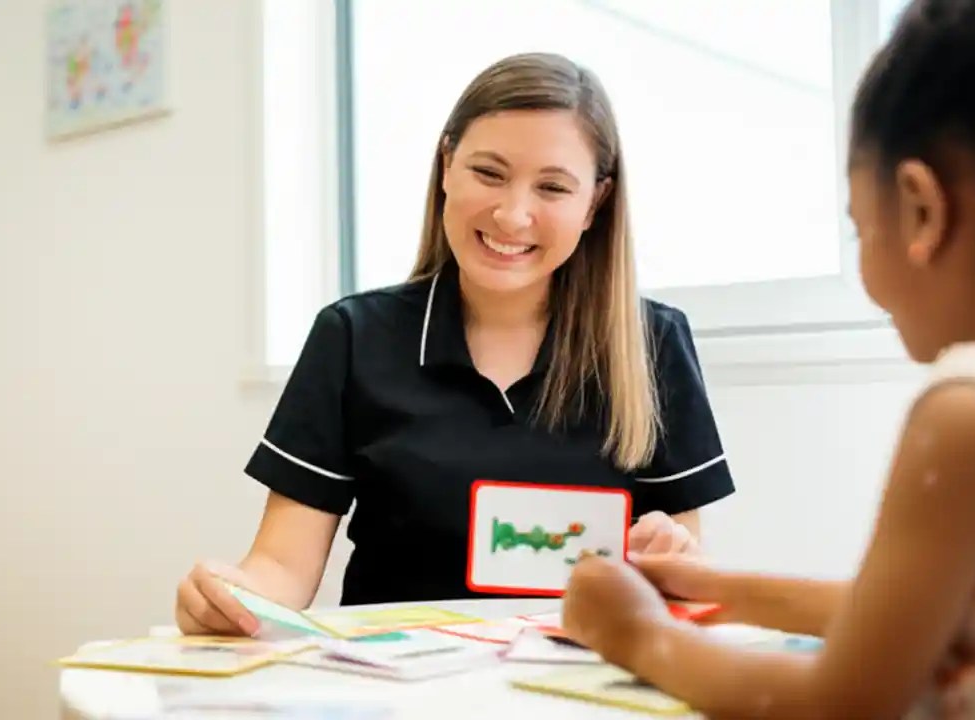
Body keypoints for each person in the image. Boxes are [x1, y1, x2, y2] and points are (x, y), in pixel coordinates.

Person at [175, 52, 735, 637]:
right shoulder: (352, 337)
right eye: (489, 173)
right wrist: (232, 597)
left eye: (552, 187)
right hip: (392, 688)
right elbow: (281, 568)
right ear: (446, 165)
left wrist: (671, 558)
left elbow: (680, 572)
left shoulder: (655, 345)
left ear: (595, 202)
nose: (513, 215)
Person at [561, 1, 975, 717]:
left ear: (920, 209)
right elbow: (905, 617)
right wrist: (719, 589)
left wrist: (633, 633)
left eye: (859, 228)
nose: (869, 277)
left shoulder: (963, 412)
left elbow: (838, 705)